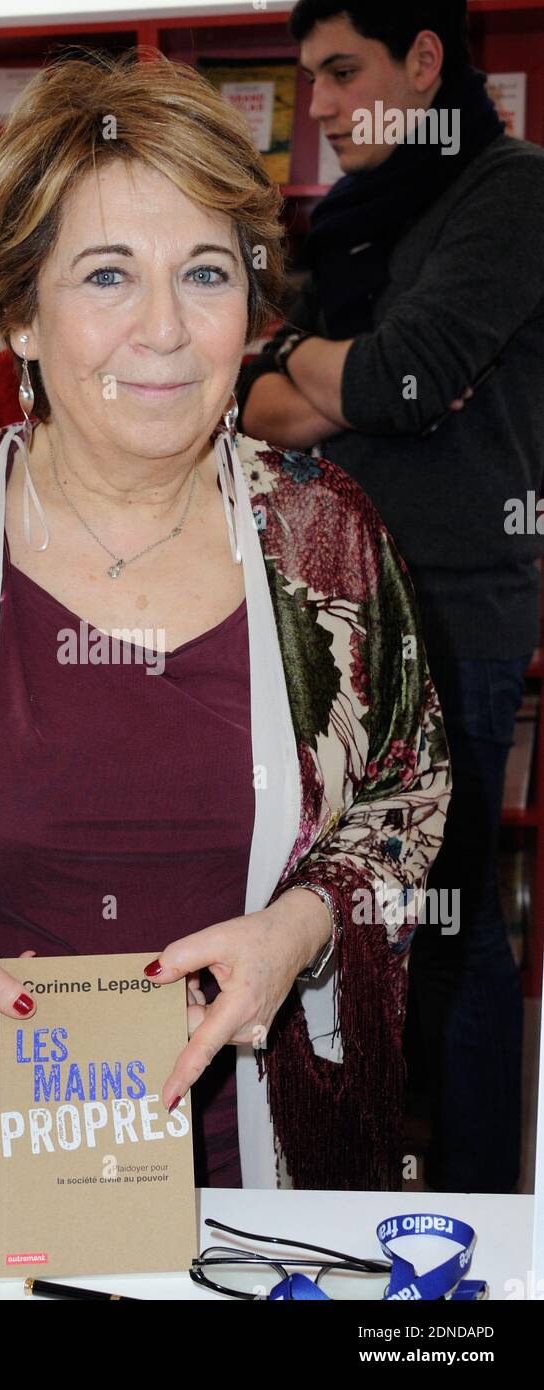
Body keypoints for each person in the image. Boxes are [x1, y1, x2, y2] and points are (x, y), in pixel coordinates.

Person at [0, 49, 449, 1190]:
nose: (164, 329)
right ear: (18, 312)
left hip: (255, 1176)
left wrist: (300, 929)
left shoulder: (326, 536)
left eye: (205, 274)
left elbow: (405, 787)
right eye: (107, 274)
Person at [235, 0, 544, 1193]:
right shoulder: (354, 220)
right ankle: (358, 1181)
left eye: (341, 70)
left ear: (423, 61)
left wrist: (340, 373)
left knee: (449, 933)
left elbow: (403, 378)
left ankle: (475, 1212)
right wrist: (330, 375)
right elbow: (259, 402)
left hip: (454, 612)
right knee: (333, 918)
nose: (315, 104)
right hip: (320, 606)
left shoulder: (509, 191)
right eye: (305, 75)